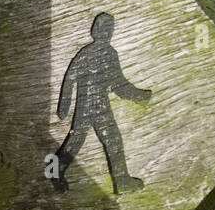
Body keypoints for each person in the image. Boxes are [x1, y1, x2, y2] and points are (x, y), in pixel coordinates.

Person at [52, 11, 150, 194]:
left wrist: (138, 96)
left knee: (90, 139)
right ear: (95, 31)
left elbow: (115, 82)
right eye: (103, 28)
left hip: (93, 106)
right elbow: (72, 78)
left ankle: (120, 181)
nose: (106, 32)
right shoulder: (97, 53)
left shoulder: (99, 53)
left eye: (108, 28)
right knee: (96, 139)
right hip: (93, 106)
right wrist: (63, 107)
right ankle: (120, 181)